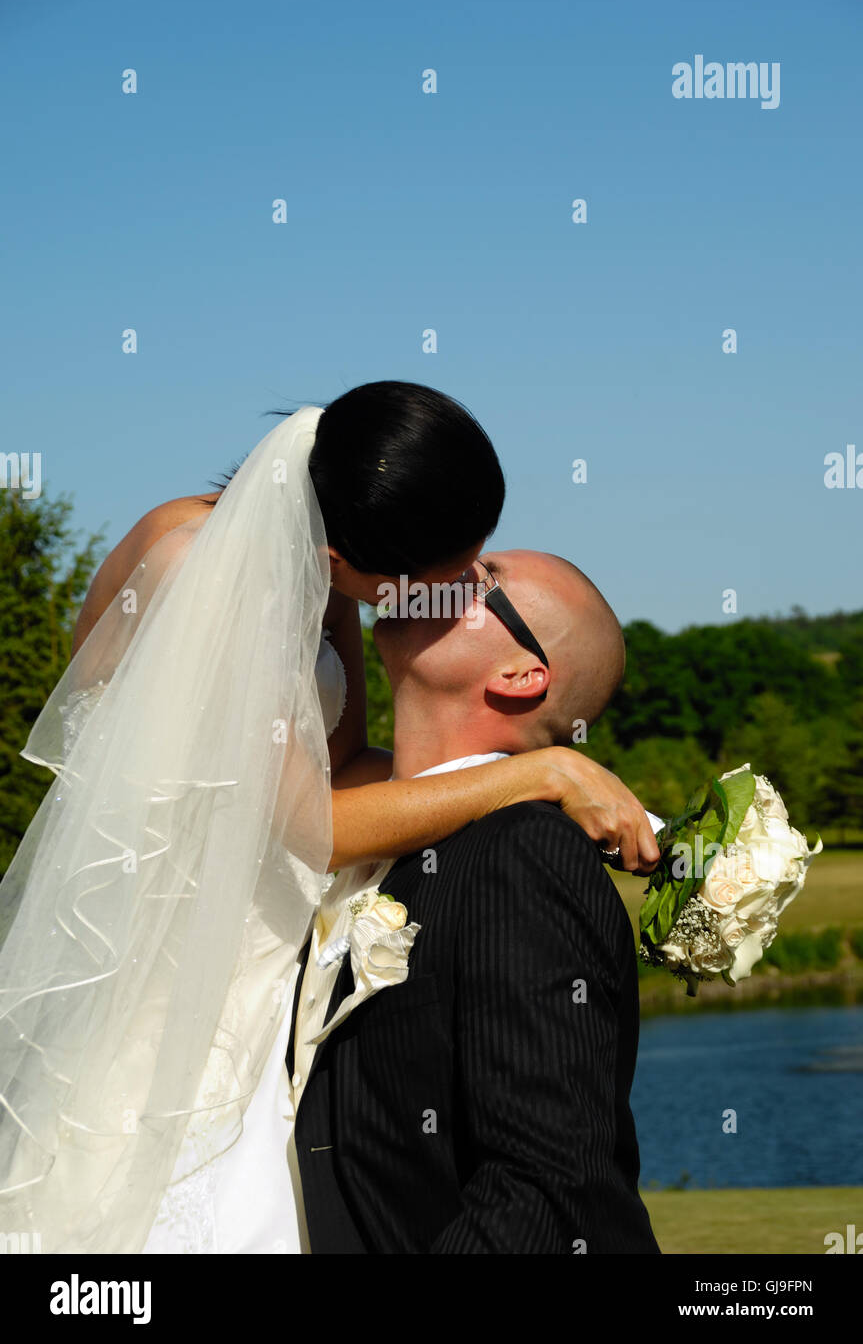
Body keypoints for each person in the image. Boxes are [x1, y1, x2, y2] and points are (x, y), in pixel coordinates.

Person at [0, 382, 657, 1254]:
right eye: (443, 572)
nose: (445, 589)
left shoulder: (319, 571)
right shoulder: (195, 561)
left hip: (271, 955)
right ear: (348, 550)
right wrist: (537, 771)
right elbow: (313, 826)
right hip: (177, 964)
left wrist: (489, 780)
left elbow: (338, 766)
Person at [290, 550, 660, 1253]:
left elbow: (546, 1190)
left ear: (520, 675)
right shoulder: (359, 828)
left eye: (480, 575)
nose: (436, 567)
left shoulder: (523, 853)